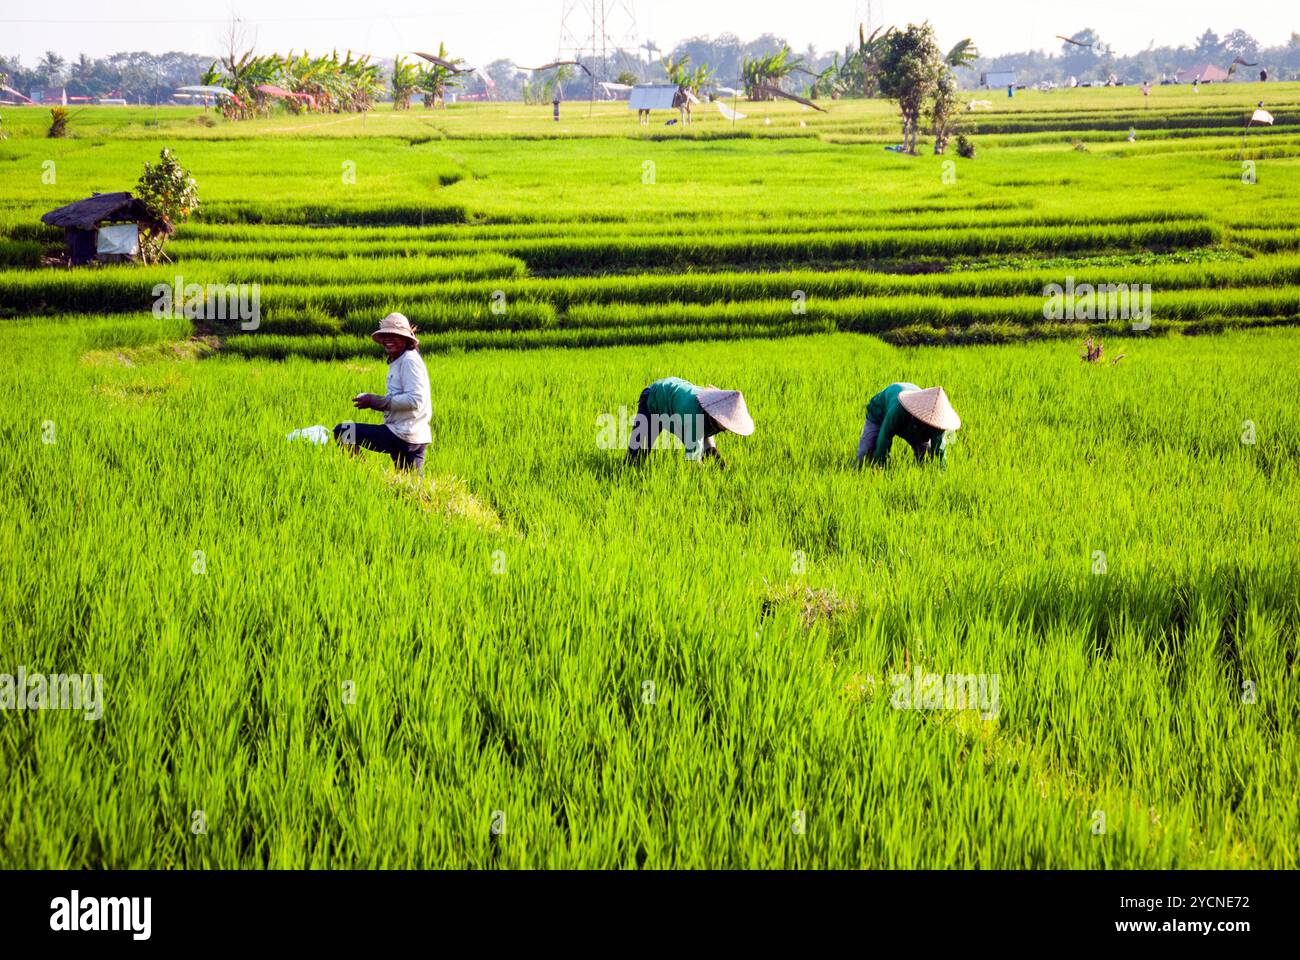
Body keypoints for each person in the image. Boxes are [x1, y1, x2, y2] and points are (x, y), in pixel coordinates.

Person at [334, 312, 432, 473]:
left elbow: (415, 400)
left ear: (406, 338)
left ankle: (364, 476)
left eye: (394, 335)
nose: (388, 339)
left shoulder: (408, 361)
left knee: (344, 431)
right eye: (385, 336)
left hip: (402, 434)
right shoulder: (401, 359)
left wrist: (375, 401)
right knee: (408, 489)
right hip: (415, 436)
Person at [627, 377, 753, 464]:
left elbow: (706, 431)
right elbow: (692, 460)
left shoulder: (712, 408)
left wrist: (712, 451)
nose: (729, 427)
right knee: (634, 459)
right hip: (653, 399)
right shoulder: (694, 419)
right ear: (717, 414)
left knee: (709, 453)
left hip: (674, 395)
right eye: (727, 421)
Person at [855, 383, 960, 469]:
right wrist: (881, 466)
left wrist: (940, 475)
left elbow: (939, 452)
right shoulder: (898, 410)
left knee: (923, 457)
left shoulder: (937, 424)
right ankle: (856, 473)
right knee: (864, 452)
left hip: (912, 424)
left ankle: (919, 475)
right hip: (880, 412)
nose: (929, 422)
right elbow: (885, 435)